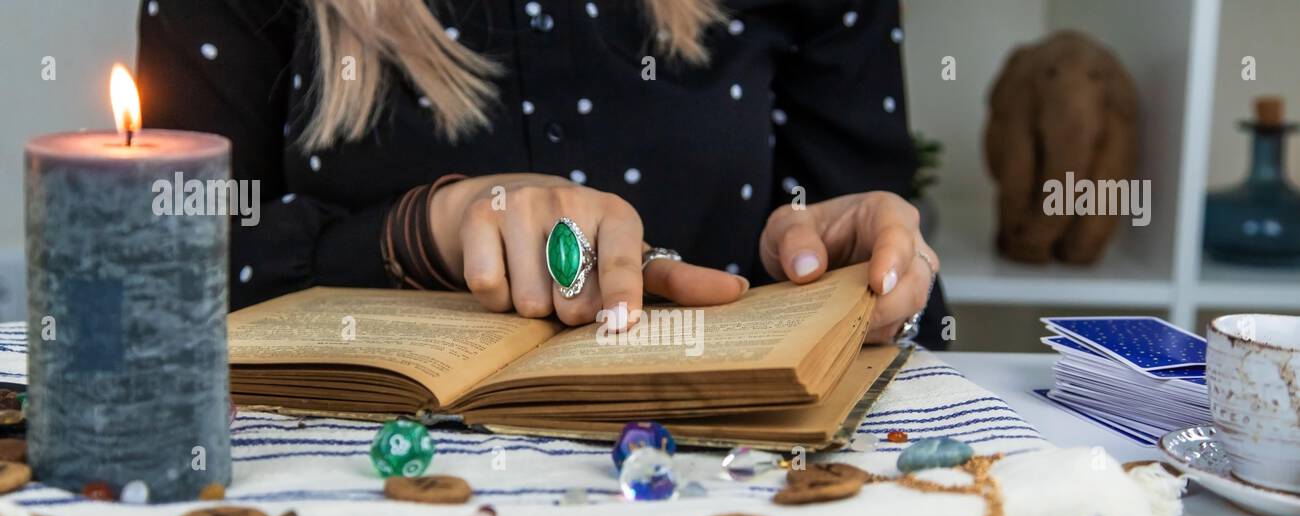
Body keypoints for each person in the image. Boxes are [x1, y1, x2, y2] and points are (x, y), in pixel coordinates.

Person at [138, 0, 948, 347]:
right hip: (350, 505)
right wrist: (415, 235)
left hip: (721, 486)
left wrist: (862, 280)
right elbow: (154, 286)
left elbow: (918, 305)